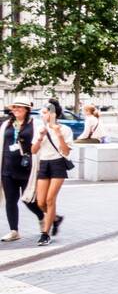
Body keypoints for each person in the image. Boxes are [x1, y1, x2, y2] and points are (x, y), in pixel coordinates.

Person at [30, 99, 73, 246]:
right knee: (40, 202)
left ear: (53, 114)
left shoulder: (65, 129)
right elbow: (33, 151)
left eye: (45, 112)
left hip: (58, 164)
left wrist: (58, 134)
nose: (42, 115)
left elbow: (66, 151)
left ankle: (45, 234)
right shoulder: (40, 129)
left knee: (50, 200)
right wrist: (41, 137)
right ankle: (55, 218)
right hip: (44, 163)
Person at [1, 99, 44, 242]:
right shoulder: (6, 124)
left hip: (27, 169)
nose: (16, 109)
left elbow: (40, 143)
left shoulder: (35, 124)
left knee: (29, 200)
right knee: (10, 200)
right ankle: (14, 231)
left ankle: (42, 217)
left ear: (26, 109)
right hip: (7, 167)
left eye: (20, 107)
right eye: (14, 107)